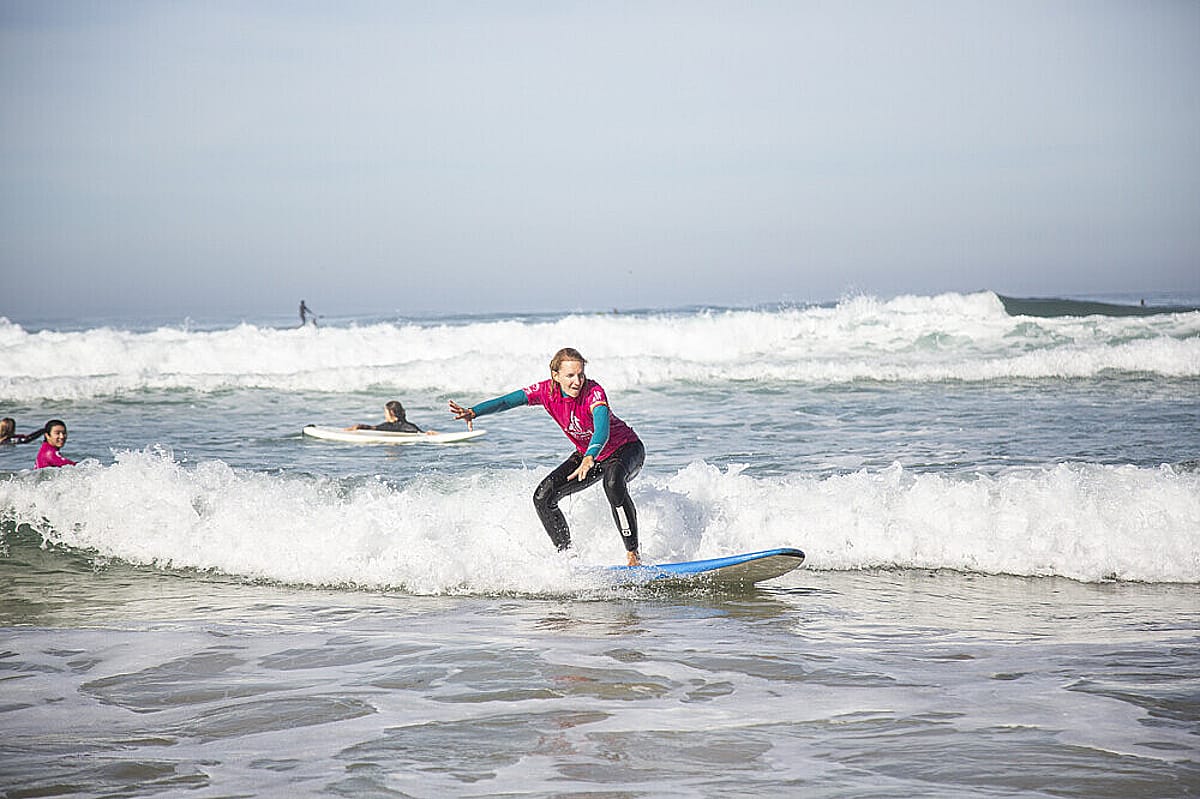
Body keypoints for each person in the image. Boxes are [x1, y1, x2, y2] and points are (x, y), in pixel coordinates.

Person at [449, 347, 646, 566]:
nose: (577, 381)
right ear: (556, 375)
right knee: (543, 498)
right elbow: (507, 401)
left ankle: (633, 555)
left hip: (626, 449)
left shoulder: (594, 392)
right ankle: (568, 557)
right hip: (588, 456)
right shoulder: (546, 392)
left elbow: (602, 430)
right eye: (570, 375)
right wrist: (475, 411)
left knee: (613, 483)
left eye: (581, 374)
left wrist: (590, 456)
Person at [346, 400, 436, 434]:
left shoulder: (388, 426)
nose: (385, 415)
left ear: (391, 412)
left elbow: (372, 428)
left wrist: (359, 426)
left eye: (386, 412)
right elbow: (421, 433)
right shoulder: (410, 425)